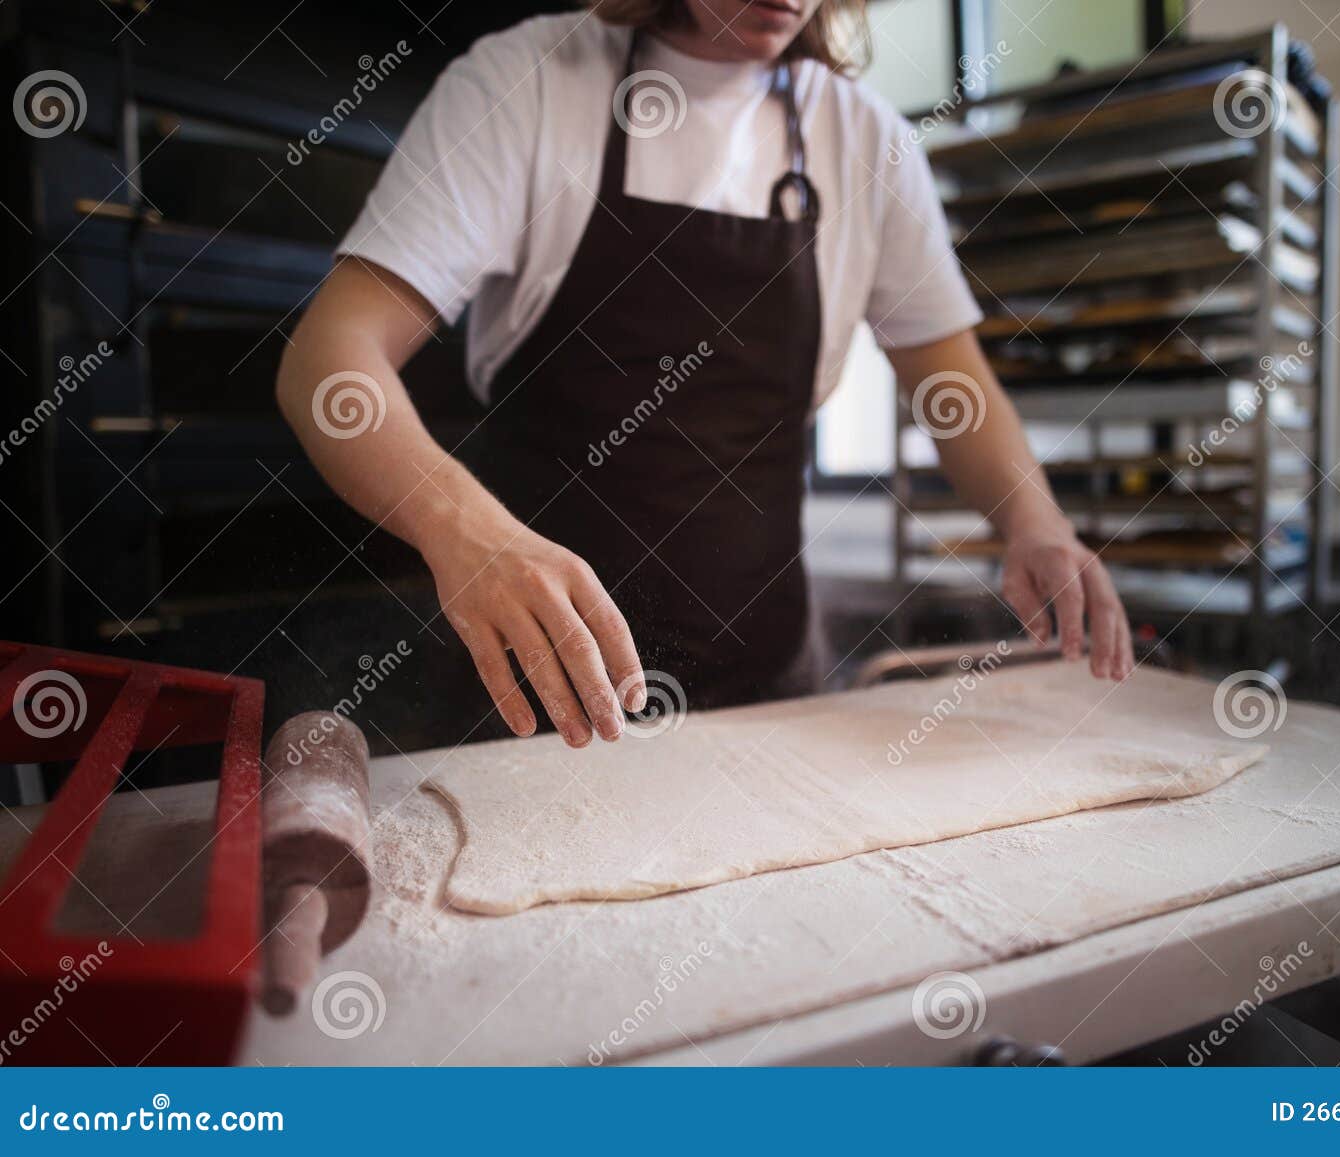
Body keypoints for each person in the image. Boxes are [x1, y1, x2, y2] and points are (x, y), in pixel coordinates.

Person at [276, 0, 1133, 750]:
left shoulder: (863, 137)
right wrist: (463, 532)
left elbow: (955, 382)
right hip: (536, 709)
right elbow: (330, 361)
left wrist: (1033, 518)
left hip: (770, 698)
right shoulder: (527, 83)